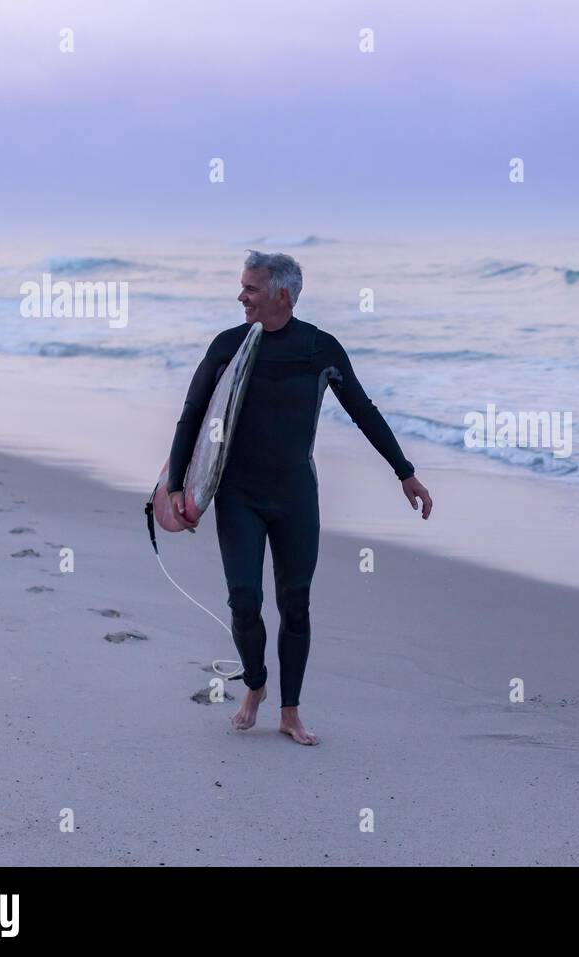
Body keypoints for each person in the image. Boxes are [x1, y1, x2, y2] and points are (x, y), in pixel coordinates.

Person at [166, 250, 433, 745]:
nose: (241, 296)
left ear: (282, 295)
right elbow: (191, 415)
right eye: (242, 286)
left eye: (251, 288)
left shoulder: (319, 349)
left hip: (295, 496)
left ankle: (290, 712)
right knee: (244, 599)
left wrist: (405, 472)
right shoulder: (228, 346)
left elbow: (363, 411)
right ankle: (255, 687)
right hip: (239, 494)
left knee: (296, 603)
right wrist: (178, 485)